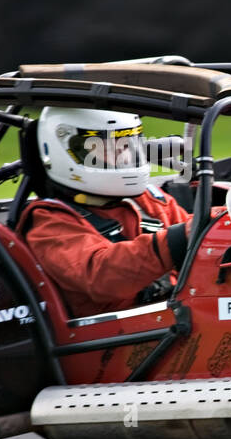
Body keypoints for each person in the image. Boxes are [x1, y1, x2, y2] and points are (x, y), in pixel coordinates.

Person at [17, 107, 192, 317]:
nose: (122, 153)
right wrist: (174, 241)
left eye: (126, 143)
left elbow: (198, 237)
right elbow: (101, 276)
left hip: (175, 319)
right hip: (118, 339)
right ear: (67, 151)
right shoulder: (49, 222)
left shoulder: (151, 200)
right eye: (104, 146)